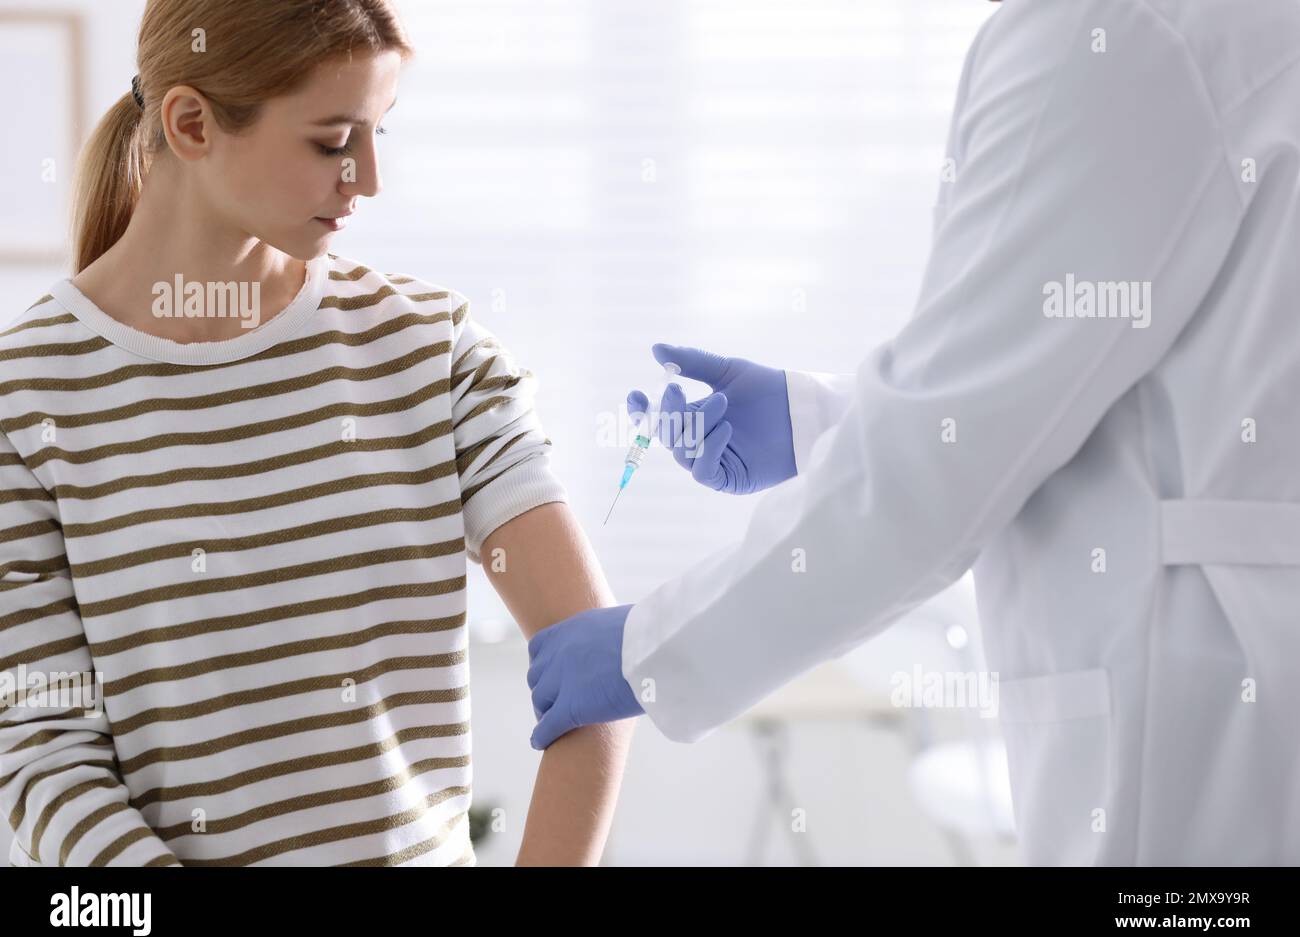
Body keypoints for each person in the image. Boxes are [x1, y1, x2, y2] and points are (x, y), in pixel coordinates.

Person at [527, 0, 1300, 865]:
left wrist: (648, 649)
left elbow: (944, 460)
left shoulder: (1118, 34)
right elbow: (1063, 380)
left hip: (1200, 758)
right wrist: (816, 418)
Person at [0, 0, 632, 867]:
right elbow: (42, 757)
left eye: (378, 132)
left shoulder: (430, 350)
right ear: (191, 124)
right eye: (333, 140)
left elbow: (594, 670)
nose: (367, 178)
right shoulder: (26, 393)